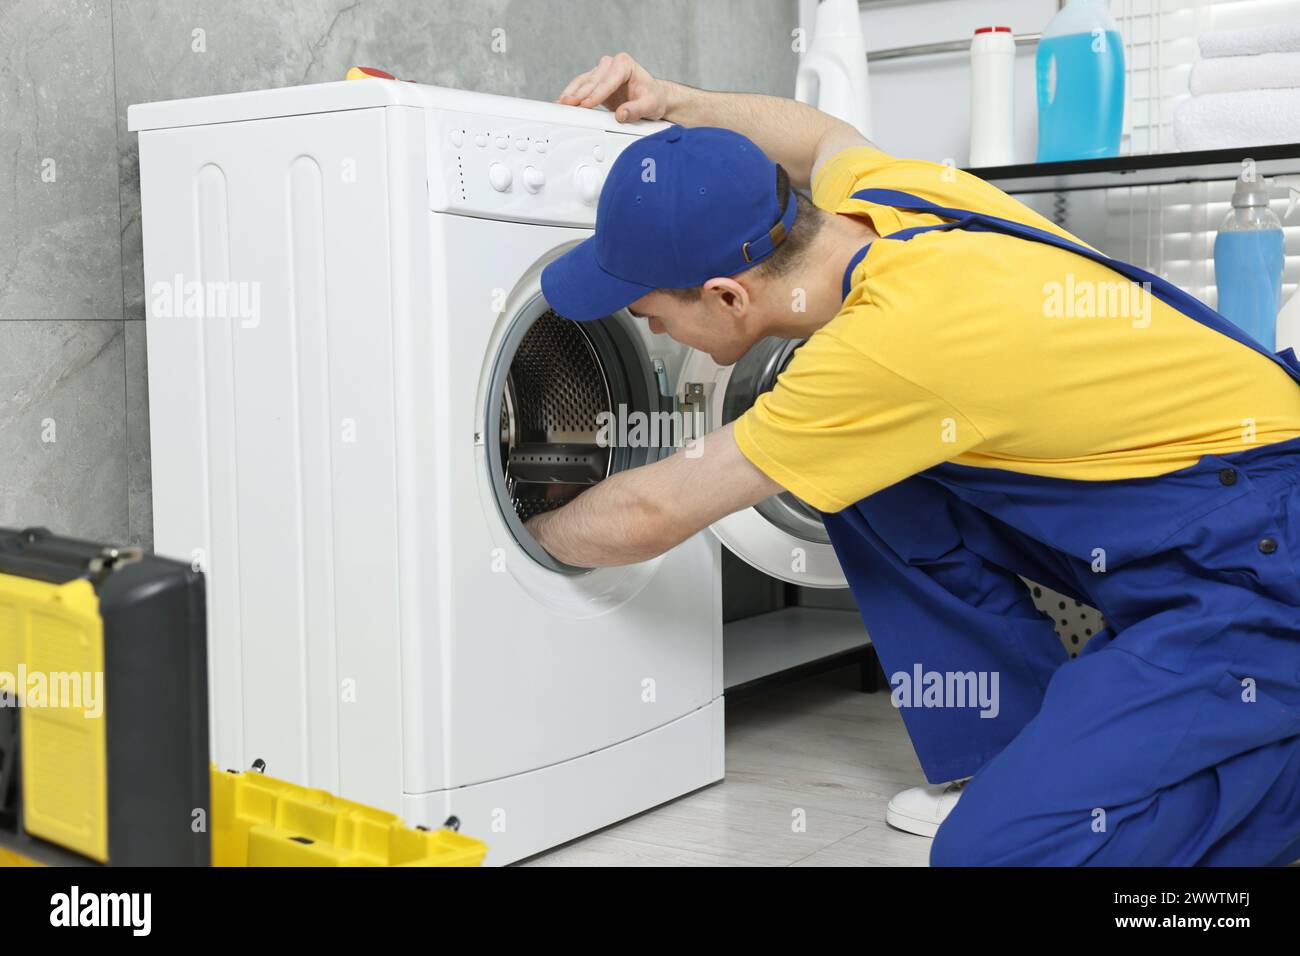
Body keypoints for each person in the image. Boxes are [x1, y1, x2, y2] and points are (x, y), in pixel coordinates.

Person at [527, 52, 1300, 866]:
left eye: (650, 314)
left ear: (728, 295)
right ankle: (1005, 756)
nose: (652, 334)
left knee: (994, 859)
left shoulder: (883, 349)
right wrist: (680, 99)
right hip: (1205, 514)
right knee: (863, 476)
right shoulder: (882, 199)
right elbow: (819, 133)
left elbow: (657, 510)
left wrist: (511, 526)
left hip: (1256, 562)